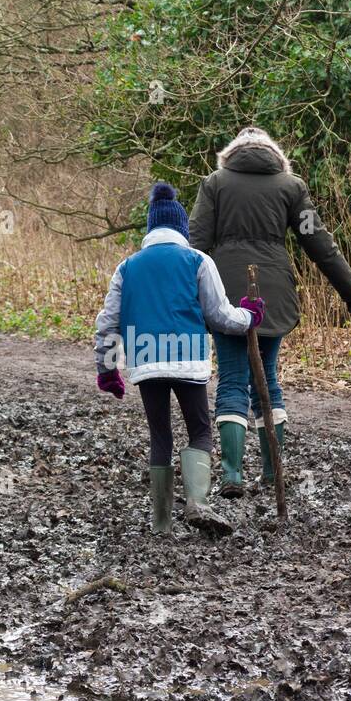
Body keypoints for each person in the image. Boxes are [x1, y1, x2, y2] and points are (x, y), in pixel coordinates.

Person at [189, 125, 351, 494]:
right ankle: (273, 474)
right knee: (267, 380)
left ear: (232, 151)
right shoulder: (291, 187)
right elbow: (320, 245)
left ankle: (232, 476)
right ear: (275, 153)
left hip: (226, 289)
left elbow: (195, 243)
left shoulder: (216, 183)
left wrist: (179, 297)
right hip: (273, 293)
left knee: (232, 378)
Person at [94, 182, 264, 533]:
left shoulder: (127, 267)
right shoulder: (198, 260)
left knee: (160, 435)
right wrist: (250, 316)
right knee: (199, 430)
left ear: (151, 229)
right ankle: (198, 505)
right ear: (182, 228)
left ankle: (160, 522)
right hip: (187, 358)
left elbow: (108, 322)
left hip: (145, 359)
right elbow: (219, 315)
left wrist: (108, 367)